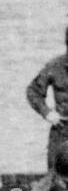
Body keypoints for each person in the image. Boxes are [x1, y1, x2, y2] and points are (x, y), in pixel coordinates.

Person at [25, 26, 68, 170]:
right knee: (54, 175)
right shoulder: (55, 66)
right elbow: (33, 91)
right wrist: (47, 113)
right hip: (62, 129)